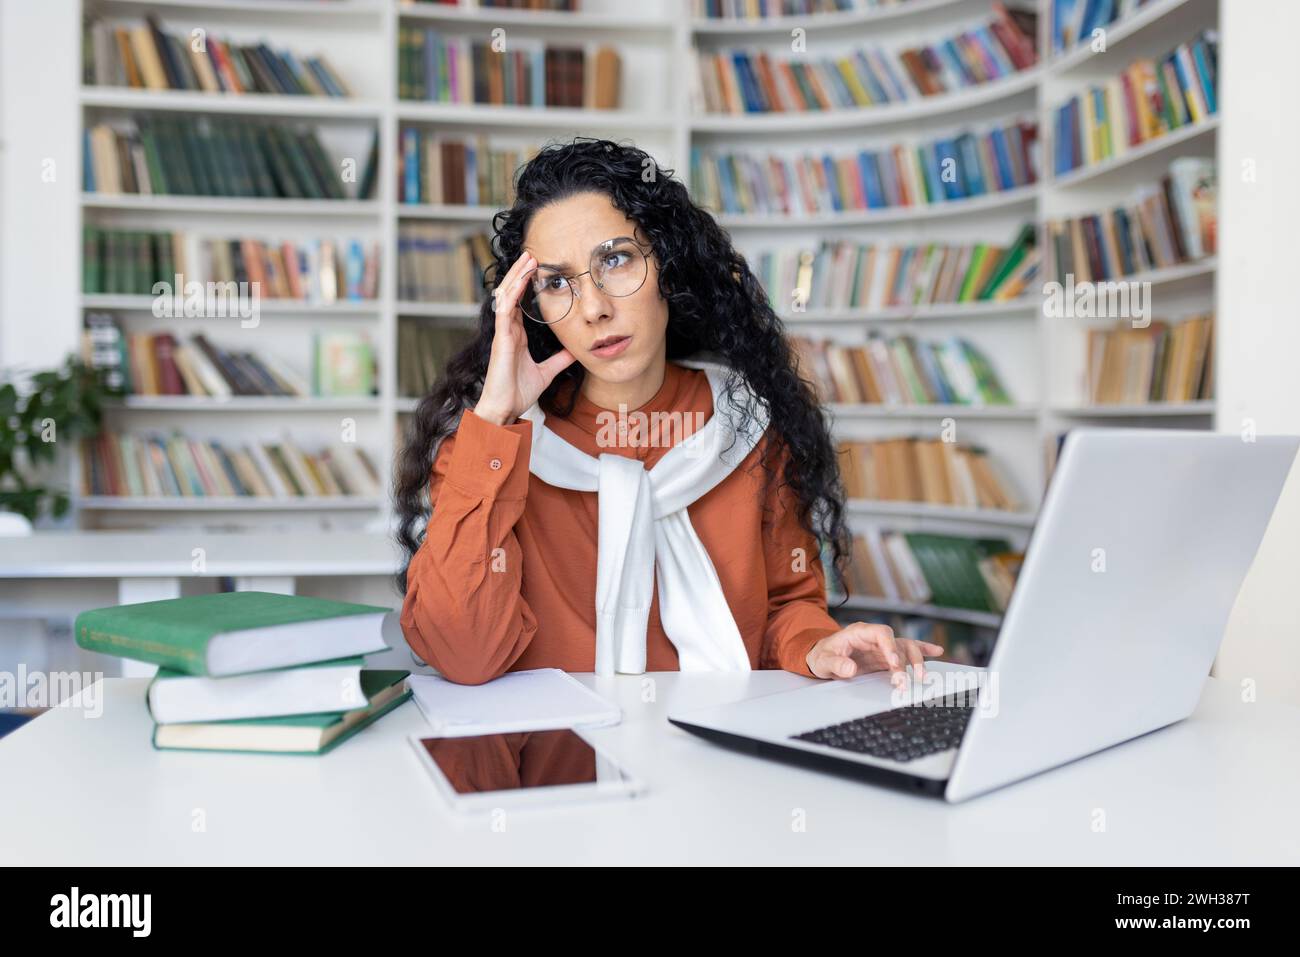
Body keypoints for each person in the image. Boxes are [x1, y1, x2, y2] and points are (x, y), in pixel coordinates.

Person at [394, 137, 942, 686]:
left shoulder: (747, 422)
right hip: (558, 760)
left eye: (615, 259)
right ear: (530, 308)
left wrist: (818, 646)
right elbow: (463, 653)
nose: (593, 308)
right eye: (556, 282)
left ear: (669, 266)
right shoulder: (490, 443)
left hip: (718, 752)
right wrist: (494, 422)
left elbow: (783, 609)